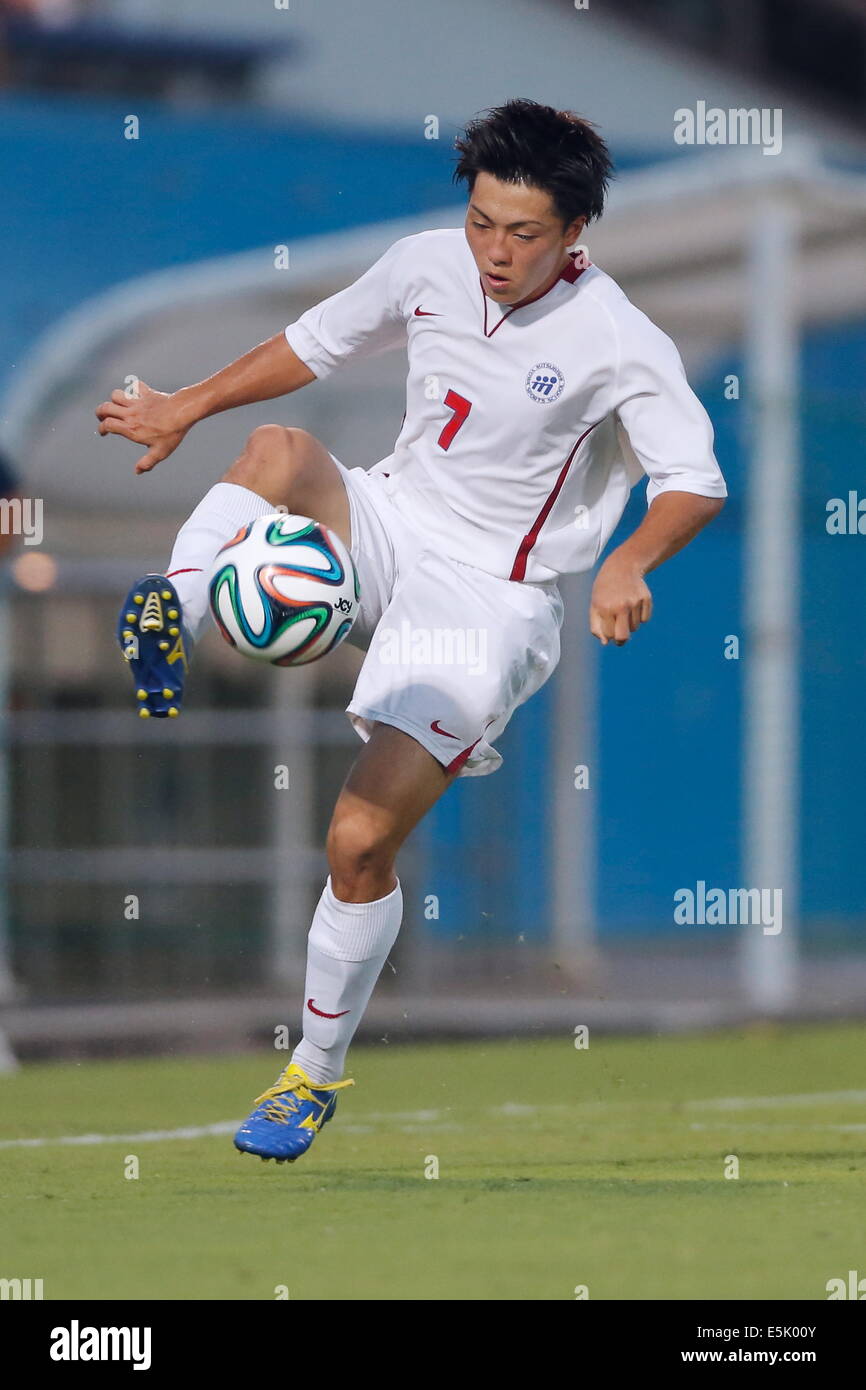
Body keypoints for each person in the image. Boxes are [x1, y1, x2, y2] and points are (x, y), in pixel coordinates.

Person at [96, 99, 726, 1164]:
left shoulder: (618, 337)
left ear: (574, 232)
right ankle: (178, 607)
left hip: (488, 601)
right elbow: (311, 341)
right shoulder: (426, 264)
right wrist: (181, 406)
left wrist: (626, 560)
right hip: (388, 521)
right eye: (482, 221)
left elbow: (693, 480)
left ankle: (311, 1075)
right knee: (282, 449)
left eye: (523, 233)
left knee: (356, 843)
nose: (495, 250)